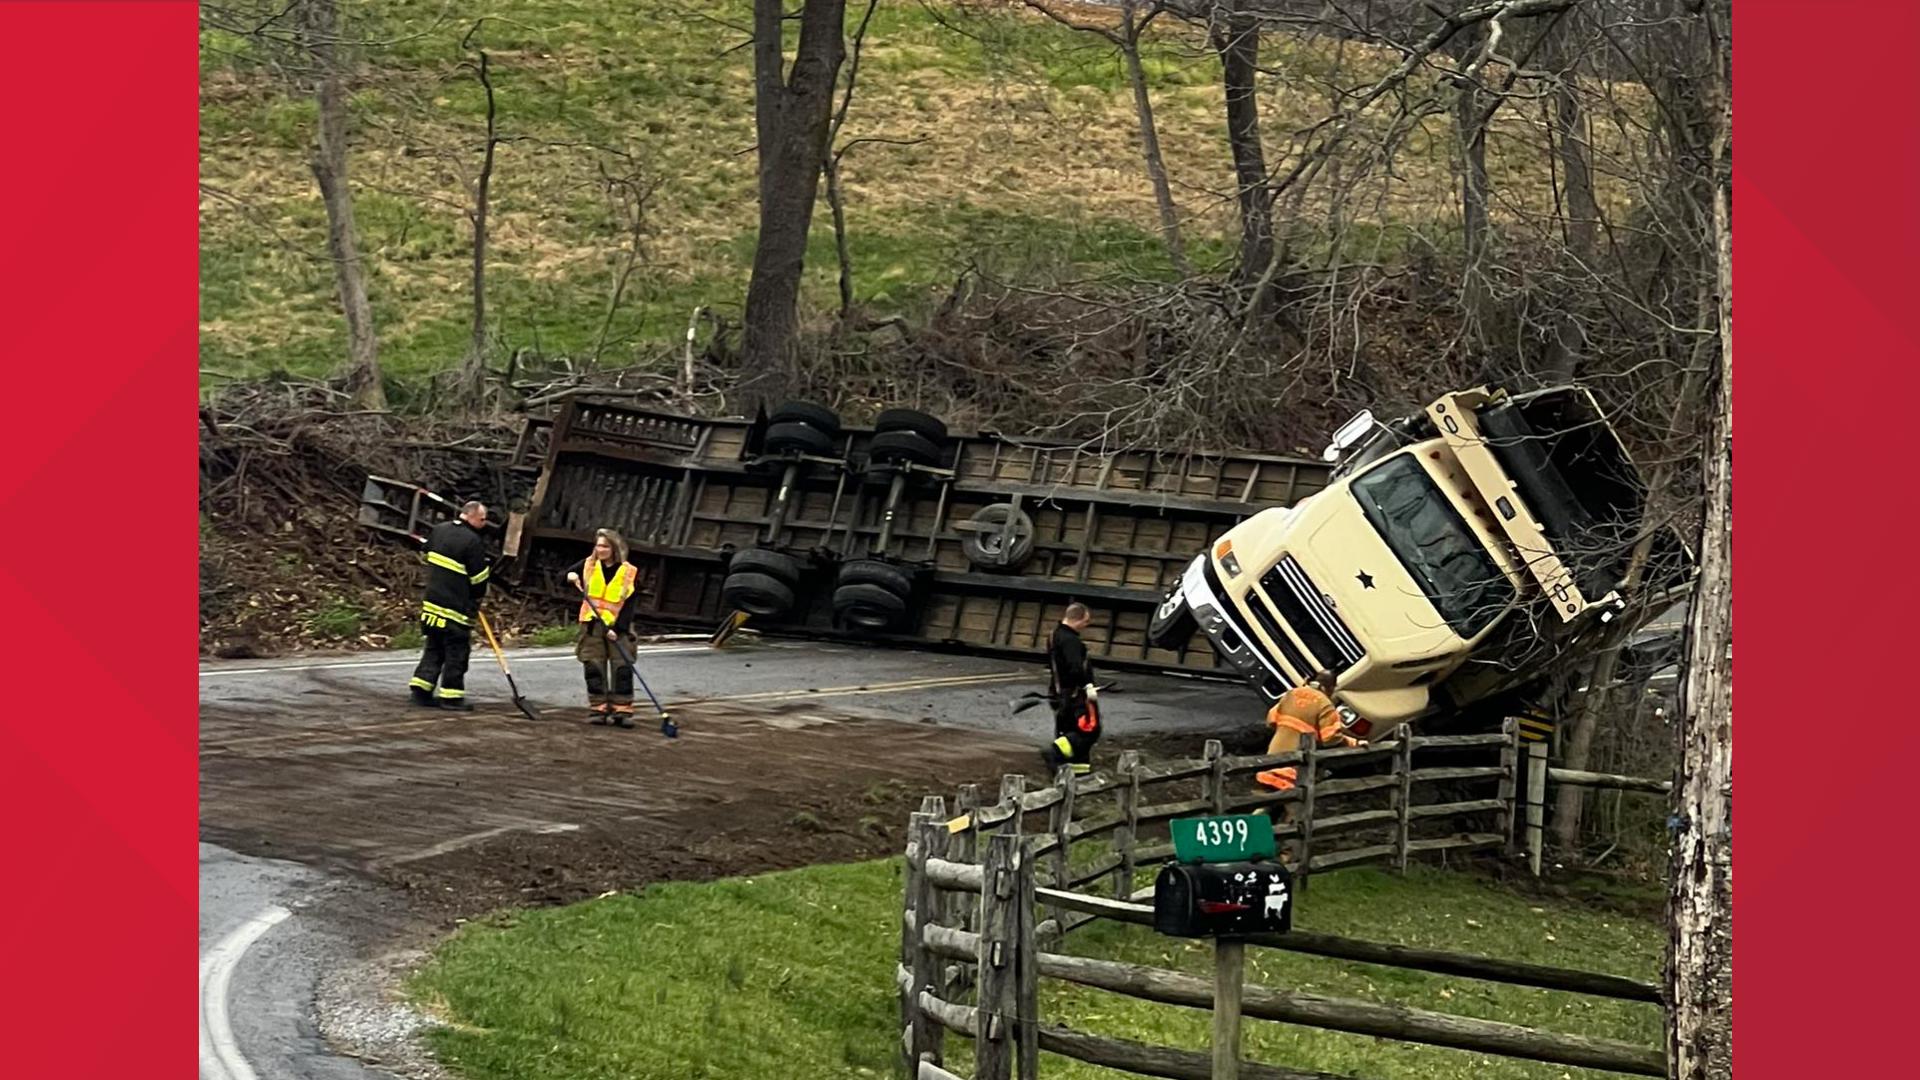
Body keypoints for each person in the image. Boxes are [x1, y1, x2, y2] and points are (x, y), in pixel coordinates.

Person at [409, 501, 493, 711]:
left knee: (434, 647)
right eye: (483, 520)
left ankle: (421, 690)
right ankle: (451, 697)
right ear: (472, 517)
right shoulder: (473, 541)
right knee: (456, 652)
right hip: (455, 607)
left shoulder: (439, 530)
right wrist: (476, 598)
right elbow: (479, 579)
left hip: (432, 604)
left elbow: (427, 554)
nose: (484, 524)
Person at [568, 528, 641, 727]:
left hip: (619, 628)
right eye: (598, 545)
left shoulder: (628, 572)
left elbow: (629, 605)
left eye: (605, 546)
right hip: (592, 626)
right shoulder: (589, 566)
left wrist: (617, 629)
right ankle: (598, 708)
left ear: (614, 549)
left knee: (622, 668)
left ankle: (622, 710)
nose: (600, 550)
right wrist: (571, 577)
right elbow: (565, 575)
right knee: (594, 667)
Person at [1254, 669, 1362, 792]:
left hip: (1271, 763)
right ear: (1330, 687)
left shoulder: (1292, 694)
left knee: (1262, 798)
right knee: (1290, 804)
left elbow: (1271, 720)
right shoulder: (1325, 705)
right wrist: (1353, 743)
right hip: (1295, 770)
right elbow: (1331, 738)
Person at [1043, 602, 1101, 774]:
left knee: (1067, 728)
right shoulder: (1071, 641)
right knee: (1089, 730)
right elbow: (1075, 667)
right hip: (1074, 695)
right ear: (1079, 619)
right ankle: (1055, 753)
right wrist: (1087, 686)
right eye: (1086, 621)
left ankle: (1075, 769)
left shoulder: (1055, 635)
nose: (1086, 625)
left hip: (1059, 692)